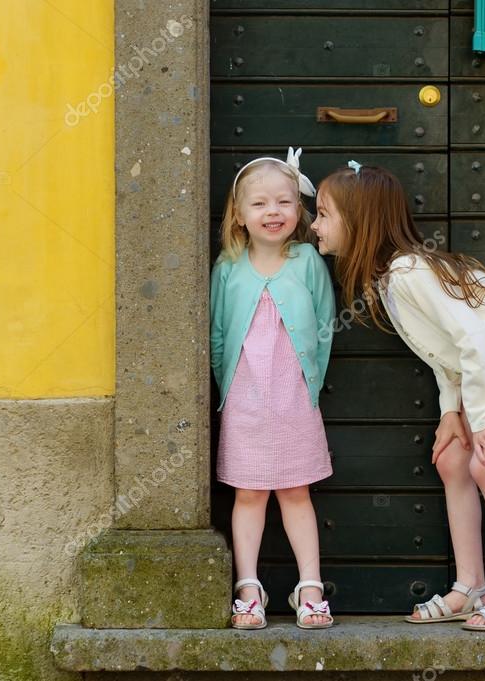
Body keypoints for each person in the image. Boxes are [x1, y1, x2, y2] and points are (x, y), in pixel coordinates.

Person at [310, 162, 485, 632]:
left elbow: (471, 337)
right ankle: (472, 587)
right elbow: (443, 352)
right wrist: (452, 413)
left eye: (323, 214)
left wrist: (484, 419)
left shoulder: (408, 272)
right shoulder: (388, 278)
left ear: (358, 220)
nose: (314, 225)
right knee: (453, 459)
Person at [210, 148, 335, 630]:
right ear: (240, 216)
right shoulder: (228, 266)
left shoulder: (306, 261)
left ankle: (310, 587)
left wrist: (311, 387)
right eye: (259, 204)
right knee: (249, 494)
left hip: (294, 398)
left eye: (284, 202)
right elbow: (218, 334)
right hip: (244, 401)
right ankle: (248, 588)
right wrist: (229, 391)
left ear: (298, 210)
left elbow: (325, 325)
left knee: (296, 491)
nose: (273, 212)